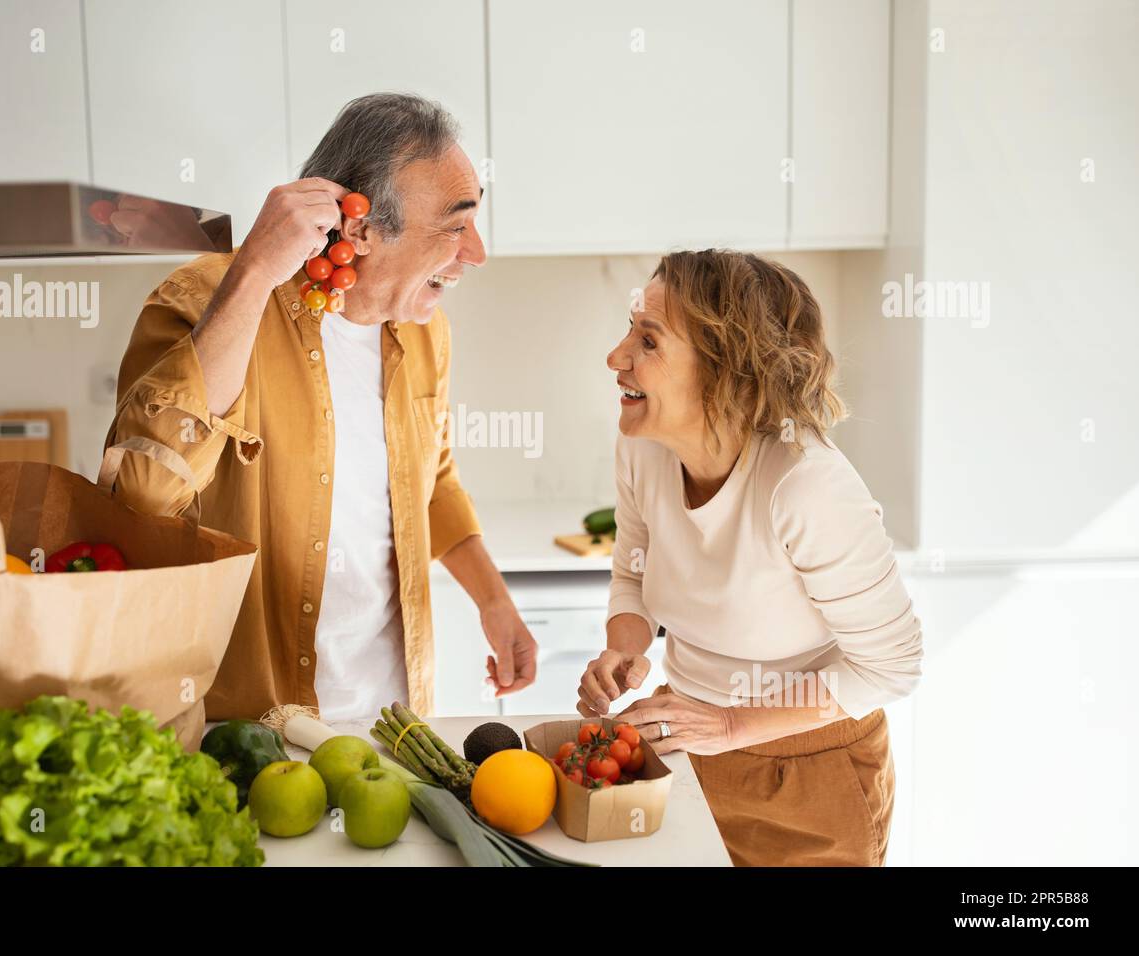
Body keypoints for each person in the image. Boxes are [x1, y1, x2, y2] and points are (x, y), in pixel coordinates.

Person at [105, 93, 537, 722]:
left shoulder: (423, 330)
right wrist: (252, 272)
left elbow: (433, 481)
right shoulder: (206, 299)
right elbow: (142, 494)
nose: (475, 252)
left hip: (394, 720)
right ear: (359, 229)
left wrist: (496, 604)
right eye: (454, 225)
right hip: (249, 727)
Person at [578, 250, 923, 866]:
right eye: (631, 329)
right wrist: (624, 645)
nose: (616, 356)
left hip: (813, 771)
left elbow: (892, 667)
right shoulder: (643, 449)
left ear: (726, 371)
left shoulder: (806, 487)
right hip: (688, 756)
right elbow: (632, 568)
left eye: (648, 340)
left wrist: (733, 726)